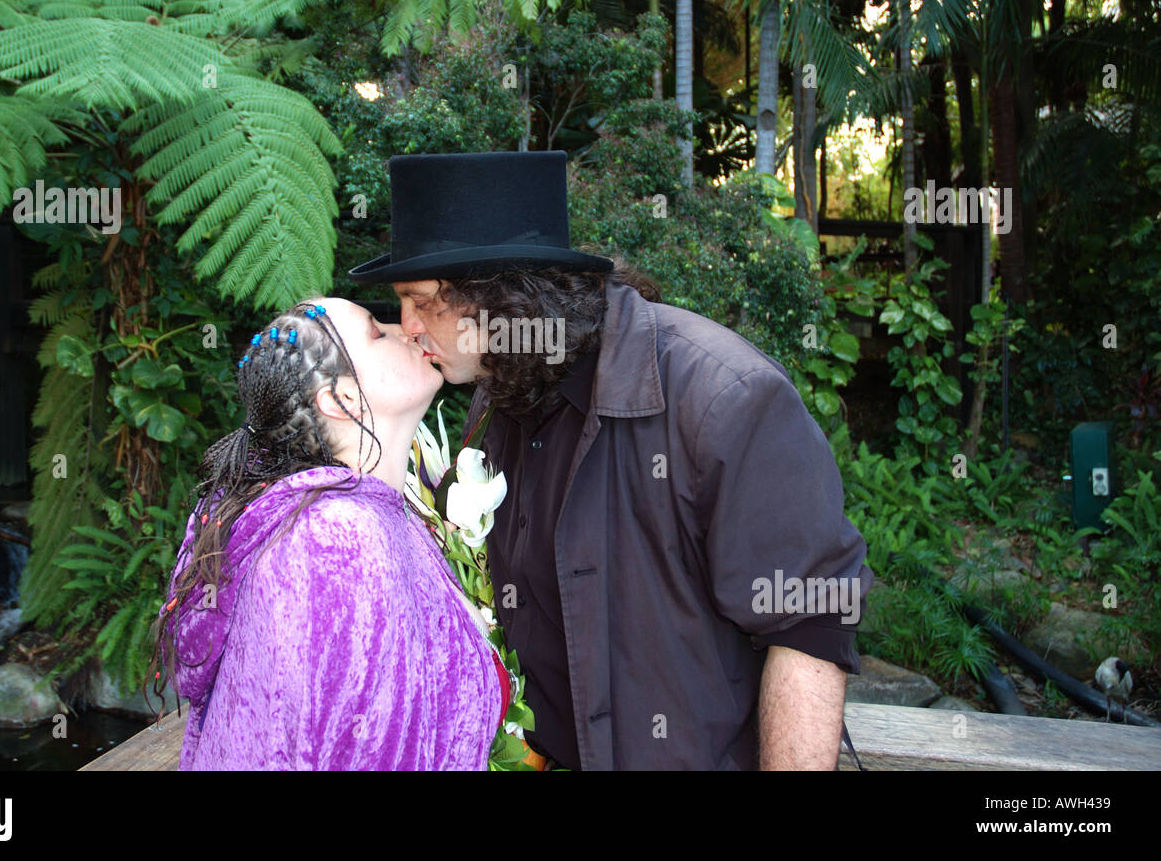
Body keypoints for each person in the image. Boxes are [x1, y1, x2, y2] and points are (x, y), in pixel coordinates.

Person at [349, 150, 875, 770]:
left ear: (502, 295)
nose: (406, 325)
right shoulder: (495, 394)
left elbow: (809, 624)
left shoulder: (722, 398)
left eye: (421, 300)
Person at [151, 298, 509, 770]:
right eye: (377, 333)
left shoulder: (359, 517)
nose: (405, 329)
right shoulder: (333, 543)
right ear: (341, 400)